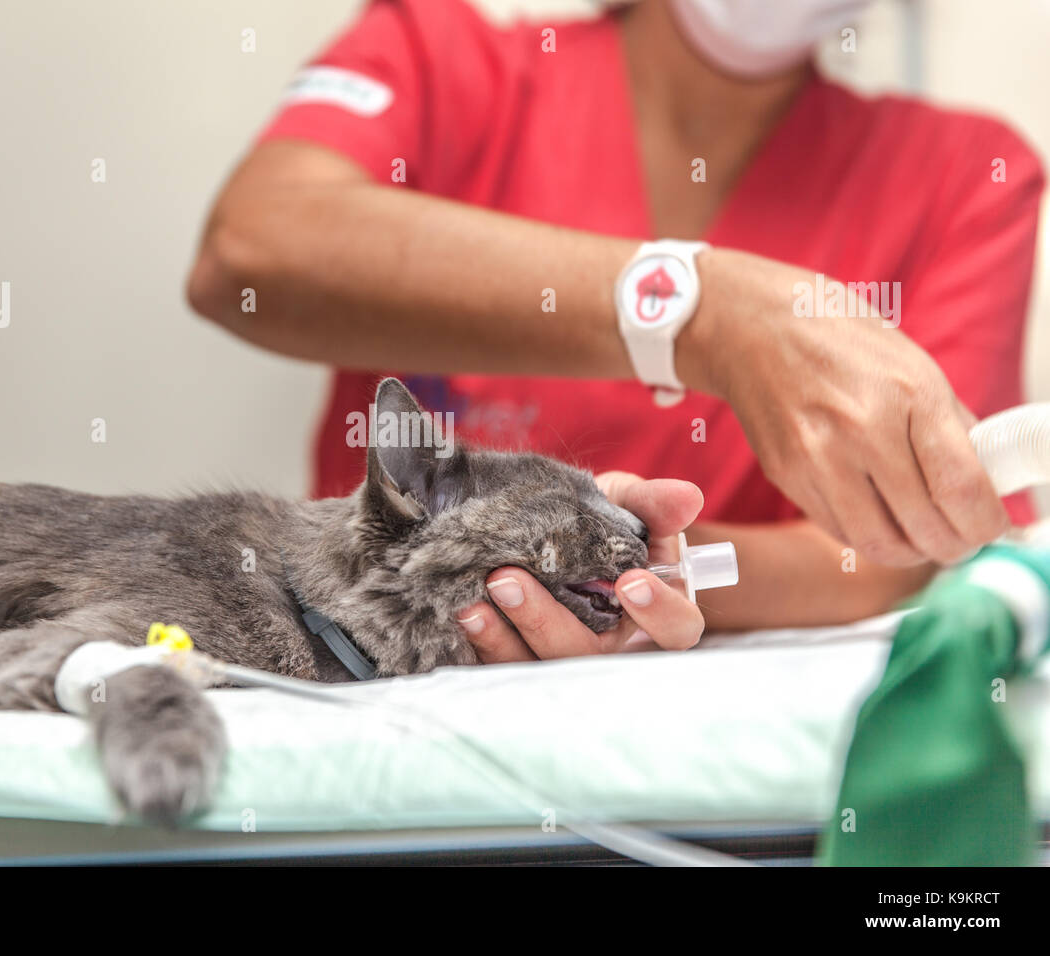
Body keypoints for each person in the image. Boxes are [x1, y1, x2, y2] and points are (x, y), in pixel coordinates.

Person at [186, 0, 1044, 659]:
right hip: (370, 692)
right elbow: (250, 249)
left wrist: (613, 576)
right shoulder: (442, 57)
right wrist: (697, 310)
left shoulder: (964, 179)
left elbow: (887, 550)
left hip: (704, 767)